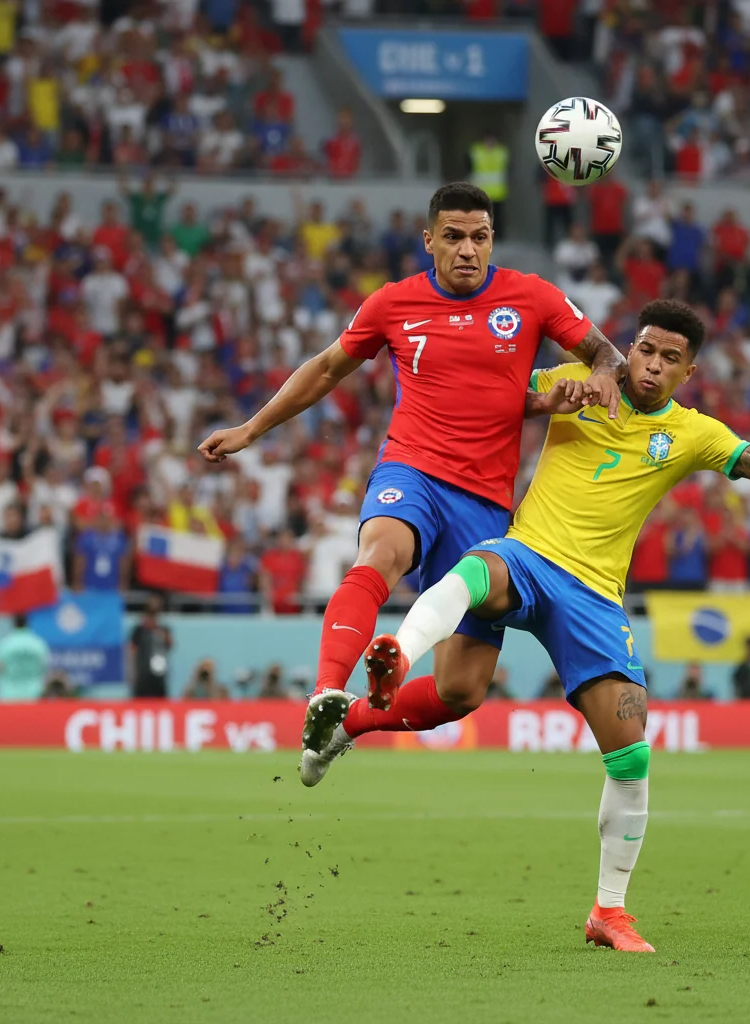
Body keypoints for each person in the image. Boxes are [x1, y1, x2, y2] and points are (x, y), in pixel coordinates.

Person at [303, 300, 750, 952]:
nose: (652, 365)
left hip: (597, 599)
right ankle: (399, 653)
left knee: (631, 752)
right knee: (479, 568)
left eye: (669, 359)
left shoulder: (696, 433)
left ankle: (610, 912)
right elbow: (487, 409)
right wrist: (545, 402)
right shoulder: (569, 382)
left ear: (688, 372)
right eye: (645, 349)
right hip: (530, 554)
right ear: (628, 347)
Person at [198, 183, 625, 782]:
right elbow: (325, 369)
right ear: (429, 241)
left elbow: (607, 353)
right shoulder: (393, 304)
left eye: (479, 236)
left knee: (460, 691)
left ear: (492, 239)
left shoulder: (531, 296)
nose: (468, 249)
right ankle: (325, 693)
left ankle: (347, 724)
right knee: (383, 552)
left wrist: (594, 377)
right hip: (413, 468)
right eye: (453, 236)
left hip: (484, 502)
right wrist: (251, 428)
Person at [0, 614, 51, 701]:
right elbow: (44, 667)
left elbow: (1, 668)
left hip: (9, 694)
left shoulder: (5, 644)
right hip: (34, 694)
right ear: (28, 624)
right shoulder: (38, 643)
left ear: (14, 624)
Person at [129, 594, 173, 698]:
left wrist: (159, 632)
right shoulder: (139, 629)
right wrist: (132, 674)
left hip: (159, 673)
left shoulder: (163, 629)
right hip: (143, 673)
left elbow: (170, 644)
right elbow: (132, 651)